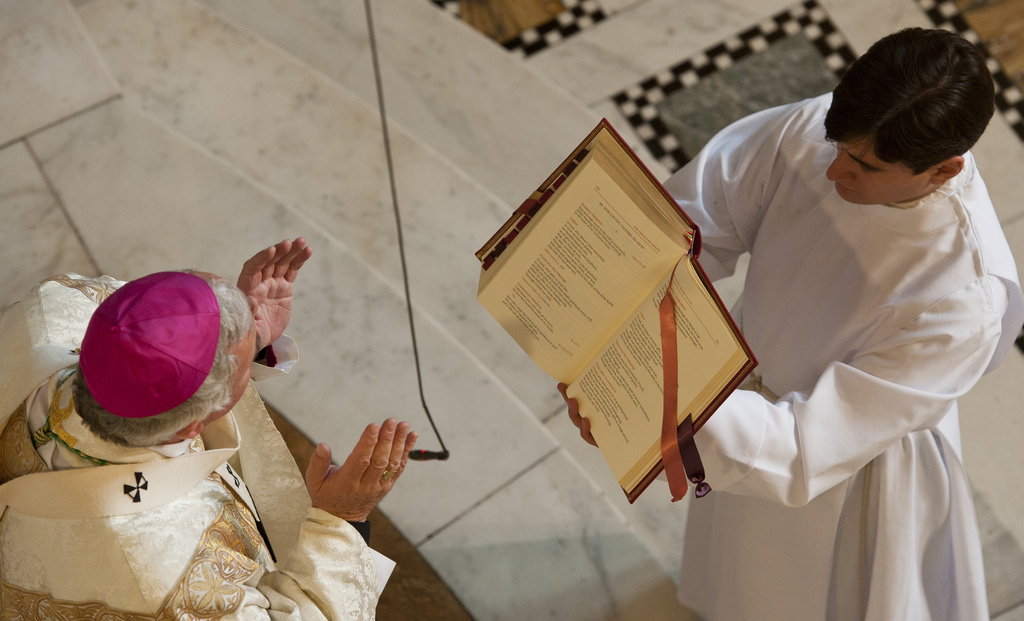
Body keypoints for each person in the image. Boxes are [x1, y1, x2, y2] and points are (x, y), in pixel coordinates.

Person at [561, 28, 1024, 620]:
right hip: (733, 400)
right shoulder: (828, 131)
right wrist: (607, 319)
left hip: (845, 465)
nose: (833, 173)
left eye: (864, 166)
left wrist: (654, 400)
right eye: (837, 146)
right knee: (732, 566)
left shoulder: (963, 300)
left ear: (942, 170)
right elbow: (696, 224)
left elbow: (806, 448)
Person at [0, 238, 418, 620]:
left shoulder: (60, 302)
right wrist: (342, 522)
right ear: (193, 428)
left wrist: (233, 339)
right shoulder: (168, 578)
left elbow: (157, 345)